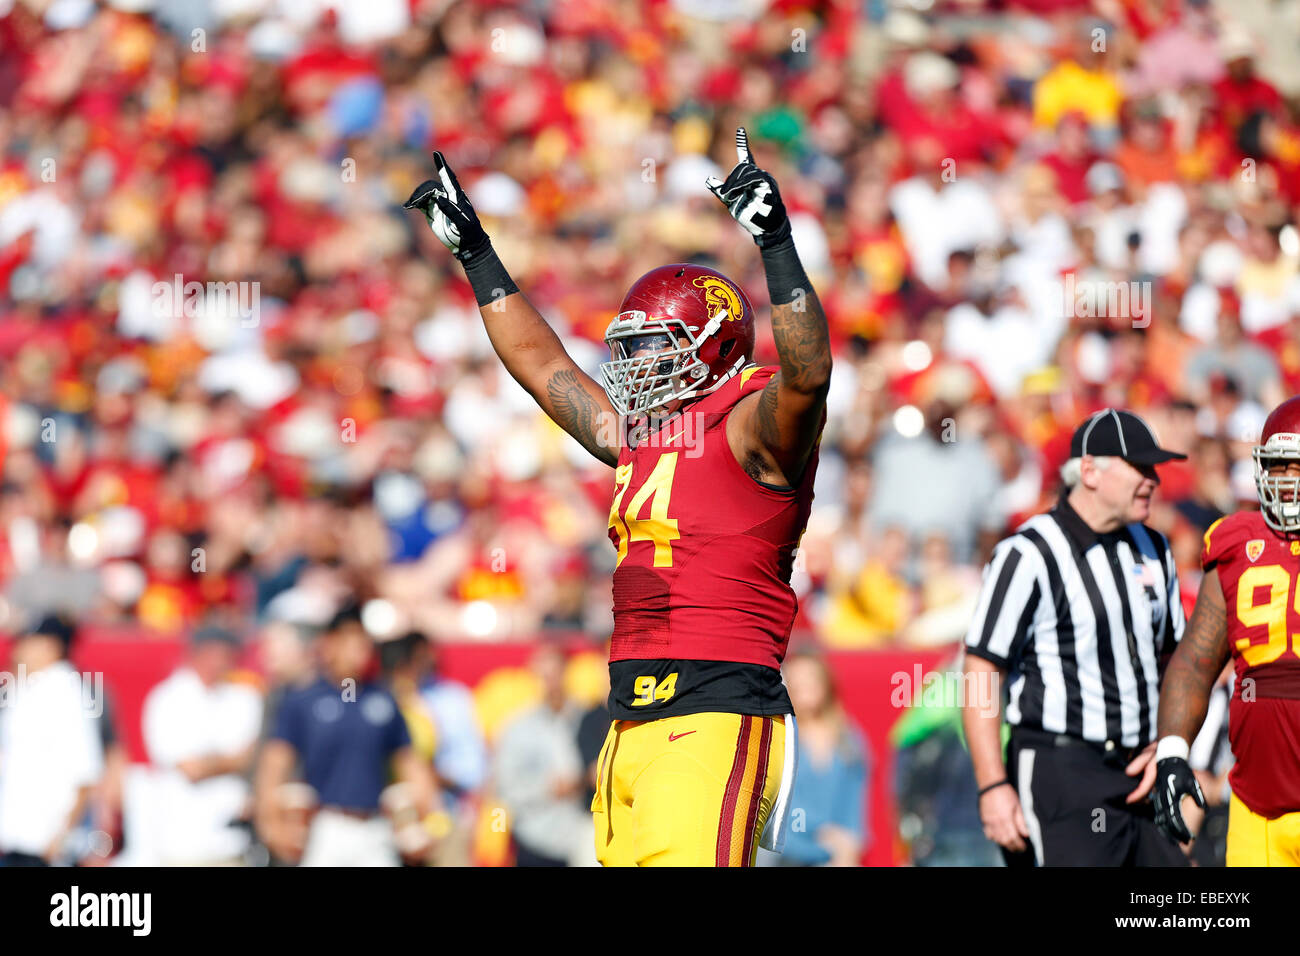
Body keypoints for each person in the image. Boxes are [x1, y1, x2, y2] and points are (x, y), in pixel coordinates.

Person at [405, 127, 828, 867]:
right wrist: (477, 256)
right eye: (628, 348)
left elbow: (810, 374)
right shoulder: (644, 435)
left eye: (652, 347)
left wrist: (776, 244)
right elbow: (542, 367)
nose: (633, 363)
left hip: (714, 712)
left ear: (717, 348)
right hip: (630, 716)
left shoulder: (752, 426)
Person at [961, 408, 1190, 866]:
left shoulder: (1155, 548)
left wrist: (1167, 741)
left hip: (1140, 770)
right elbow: (983, 670)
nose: (1153, 480)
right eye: (1139, 468)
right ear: (1089, 470)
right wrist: (992, 785)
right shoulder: (1029, 553)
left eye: (1154, 468)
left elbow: (1176, 662)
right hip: (1062, 771)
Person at [1153, 396, 1300, 866]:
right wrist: (1172, 753)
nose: (1291, 482)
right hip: (1255, 809)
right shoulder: (1238, 541)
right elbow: (1195, 661)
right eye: (1281, 467)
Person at [254, 603, 438, 866]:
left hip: (376, 826)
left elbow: (411, 764)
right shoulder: (304, 700)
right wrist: (270, 823)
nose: (359, 652)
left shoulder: (384, 701)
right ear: (329, 644)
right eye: (350, 642)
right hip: (324, 828)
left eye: (363, 643)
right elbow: (274, 764)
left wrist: (430, 821)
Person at [141, 624, 263, 866]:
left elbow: (250, 758)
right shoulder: (167, 699)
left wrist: (214, 762)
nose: (223, 661)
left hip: (233, 843)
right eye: (216, 653)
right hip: (183, 843)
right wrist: (231, 761)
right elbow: (191, 769)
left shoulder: (245, 697)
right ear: (197, 654)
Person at [0, 615, 103, 866]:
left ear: (51, 647)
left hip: (44, 843)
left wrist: (61, 837)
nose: (20, 648)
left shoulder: (65, 693)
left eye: (28, 641)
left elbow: (86, 774)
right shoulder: (27, 687)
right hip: (17, 836)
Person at [761, 652, 868, 867]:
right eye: (797, 679)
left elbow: (855, 800)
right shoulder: (780, 735)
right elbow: (777, 803)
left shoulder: (848, 737)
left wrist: (850, 844)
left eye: (811, 676)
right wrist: (823, 830)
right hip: (784, 853)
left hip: (835, 855)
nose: (805, 685)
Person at [492, 645, 590, 867]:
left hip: (585, 834)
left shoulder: (588, 718)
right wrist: (549, 788)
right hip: (536, 839)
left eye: (555, 674)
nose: (550, 683)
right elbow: (504, 789)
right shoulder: (516, 727)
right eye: (543, 676)